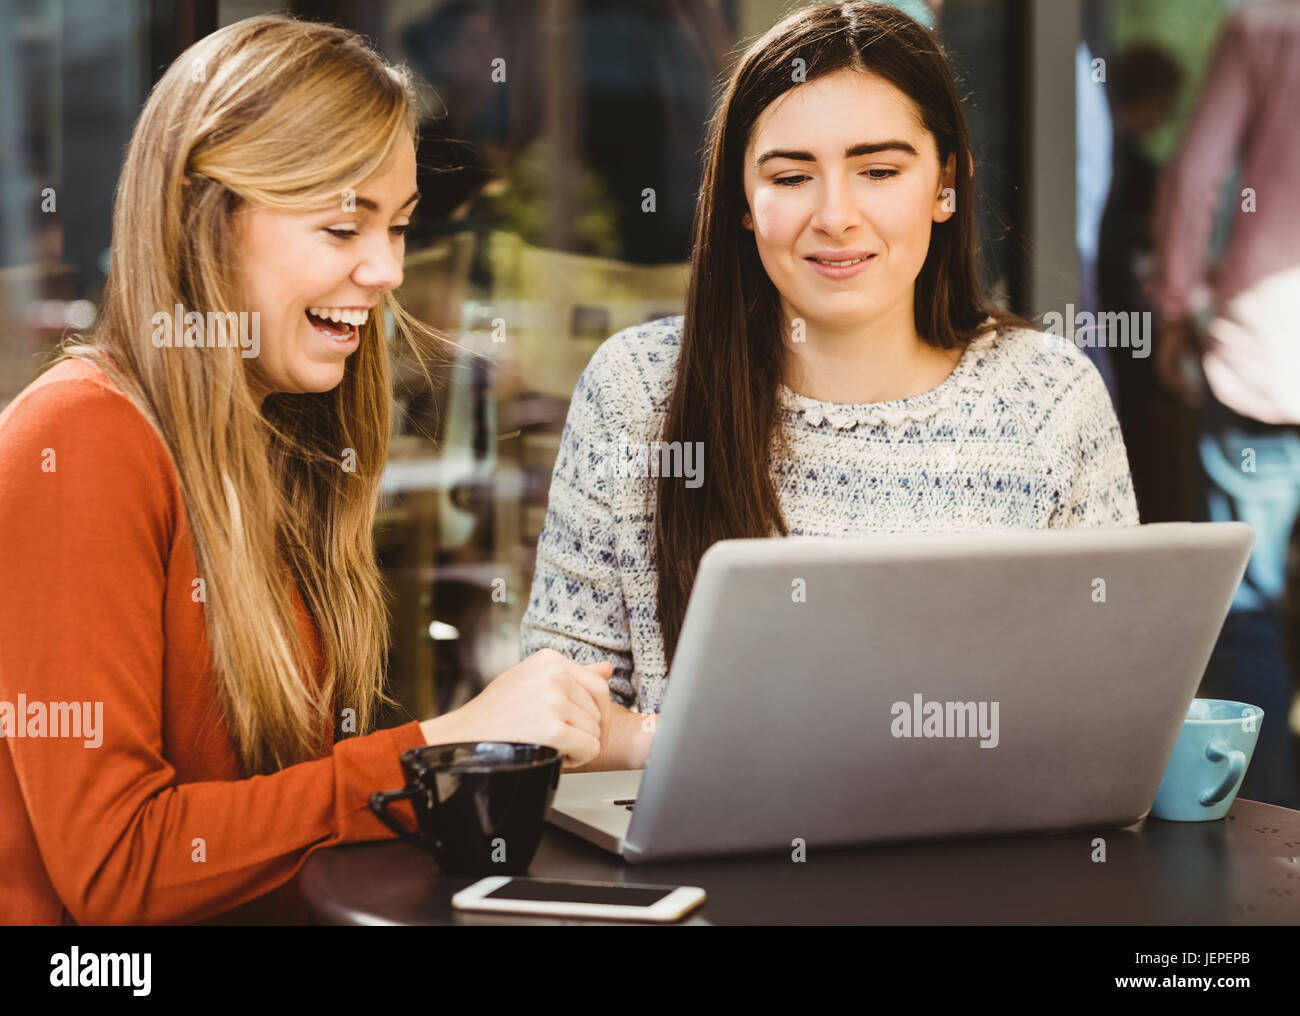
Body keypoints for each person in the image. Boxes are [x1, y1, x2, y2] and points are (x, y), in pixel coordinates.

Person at [0, 14, 617, 926]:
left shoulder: (278, 436)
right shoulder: (80, 439)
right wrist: (437, 749)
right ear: (202, 218)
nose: (385, 269)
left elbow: (281, 809)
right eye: (341, 226)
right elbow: (119, 869)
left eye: (399, 226)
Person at [521, 1, 1140, 719]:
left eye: (878, 171)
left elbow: (1113, 705)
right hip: (709, 834)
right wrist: (671, 750)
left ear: (946, 185)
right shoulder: (636, 393)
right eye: (791, 178)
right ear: (742, 201)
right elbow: (552, 725)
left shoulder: (1050, 396)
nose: (836, 215)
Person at [1150, 0, 1300, 808]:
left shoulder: (1267, 20)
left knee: (1245, 610)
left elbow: (1197, 173)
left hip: (1265, 355)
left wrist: (1176, 307)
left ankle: (1263, 834)